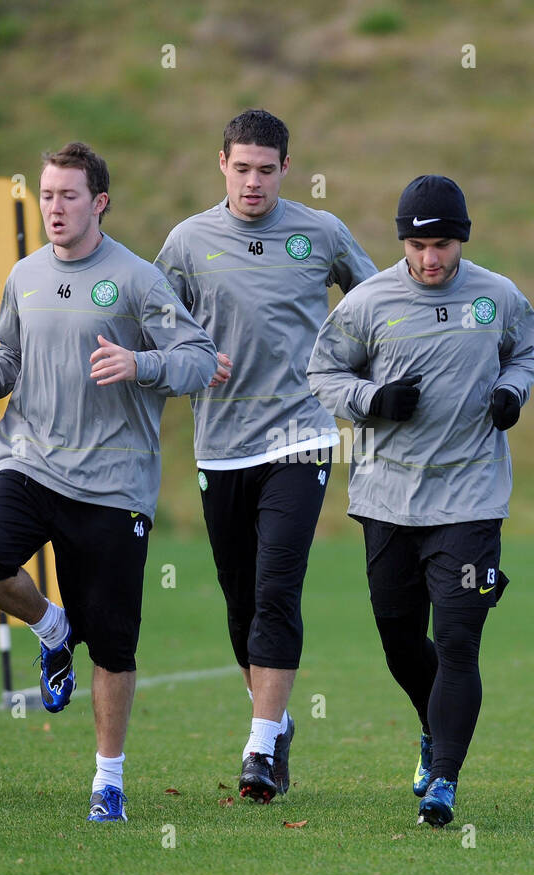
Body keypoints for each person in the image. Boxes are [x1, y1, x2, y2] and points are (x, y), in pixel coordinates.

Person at [0, 141, 217, 823]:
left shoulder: (136, 279)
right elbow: (10, 353)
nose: (54, 208)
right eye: (46, 195)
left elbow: (196, 360)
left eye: (68, 195)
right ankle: (50, 626)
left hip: (112, 483)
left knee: (112, 643)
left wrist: (140, 365)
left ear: (98, 202)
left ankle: (107, 781)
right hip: (30, 463)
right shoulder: (24, 275)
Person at [156, 109, 377, 803]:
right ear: (221, 162)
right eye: (241, 167)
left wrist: (366, 378)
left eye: (266, 169)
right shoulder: (188, 243)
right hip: (220, 446)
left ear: (287, 167)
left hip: (302, 436)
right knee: (241, 602)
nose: (253, 182)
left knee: (278, 585)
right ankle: (275, 725)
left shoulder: (322, 233)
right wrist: (190, 359)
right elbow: (154, 323)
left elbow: (375, 302)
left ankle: (257, 745)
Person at [308, 175, 534, 827]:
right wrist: (371, 402)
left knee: (459, 640)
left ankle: (444, 782)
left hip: (470, 499)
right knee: (400, 643)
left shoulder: (497, 298)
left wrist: (512, 393)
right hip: (387, 499)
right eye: (418, 245)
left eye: (442, 244)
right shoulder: (368, 302)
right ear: (402, 242)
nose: (430, 258)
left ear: (461, 240)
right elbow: (323, 373)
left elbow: (526, 351)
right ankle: (431, 727)